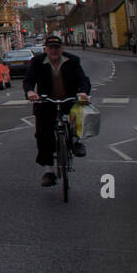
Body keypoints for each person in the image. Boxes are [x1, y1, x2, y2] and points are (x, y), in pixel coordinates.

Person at [24, 34, 90, 186]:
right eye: (51, 48)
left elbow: (83, 79)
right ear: (46, 49)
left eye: (57, 48)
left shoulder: (72, 61)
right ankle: (49, 171)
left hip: (68, 98)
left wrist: (83, 92)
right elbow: (29, 80)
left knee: (77, 116)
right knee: (42, 133)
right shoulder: (37, 62)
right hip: (46, 101)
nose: (54, 51)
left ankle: (76, 141)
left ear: (62, 49)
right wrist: (30, 93)